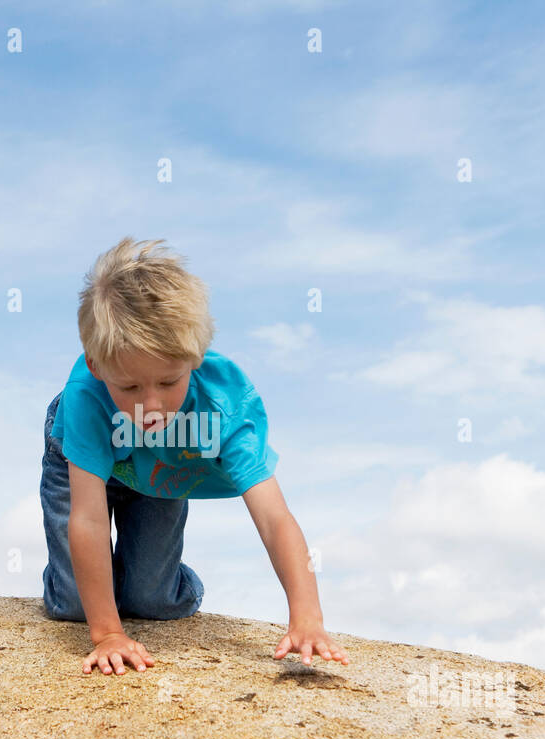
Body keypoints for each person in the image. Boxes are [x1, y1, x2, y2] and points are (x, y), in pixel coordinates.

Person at [40, 237, 349, 676]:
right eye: (129, 387)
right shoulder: (86, 397)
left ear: (196, 358)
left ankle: (154, 577)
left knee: (153, 603)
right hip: (83, 461)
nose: (151, 403)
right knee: (73, 605)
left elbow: (274, 517)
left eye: (168, 382)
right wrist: (108, 633)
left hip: (163, 466)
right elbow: (88, 519)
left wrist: (307, 617)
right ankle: (65, 572)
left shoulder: (224, 405)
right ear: (96, 366)